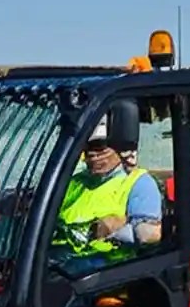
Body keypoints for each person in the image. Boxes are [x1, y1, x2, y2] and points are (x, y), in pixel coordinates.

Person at [51, 116, 163, 275]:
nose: (93, 155)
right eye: (88, 148)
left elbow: (149, 235)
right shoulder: (73, 182)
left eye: (100, 148)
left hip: (105, 272)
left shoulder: (139, 183)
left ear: (121, 149)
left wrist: (117, 230)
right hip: (61, 265)